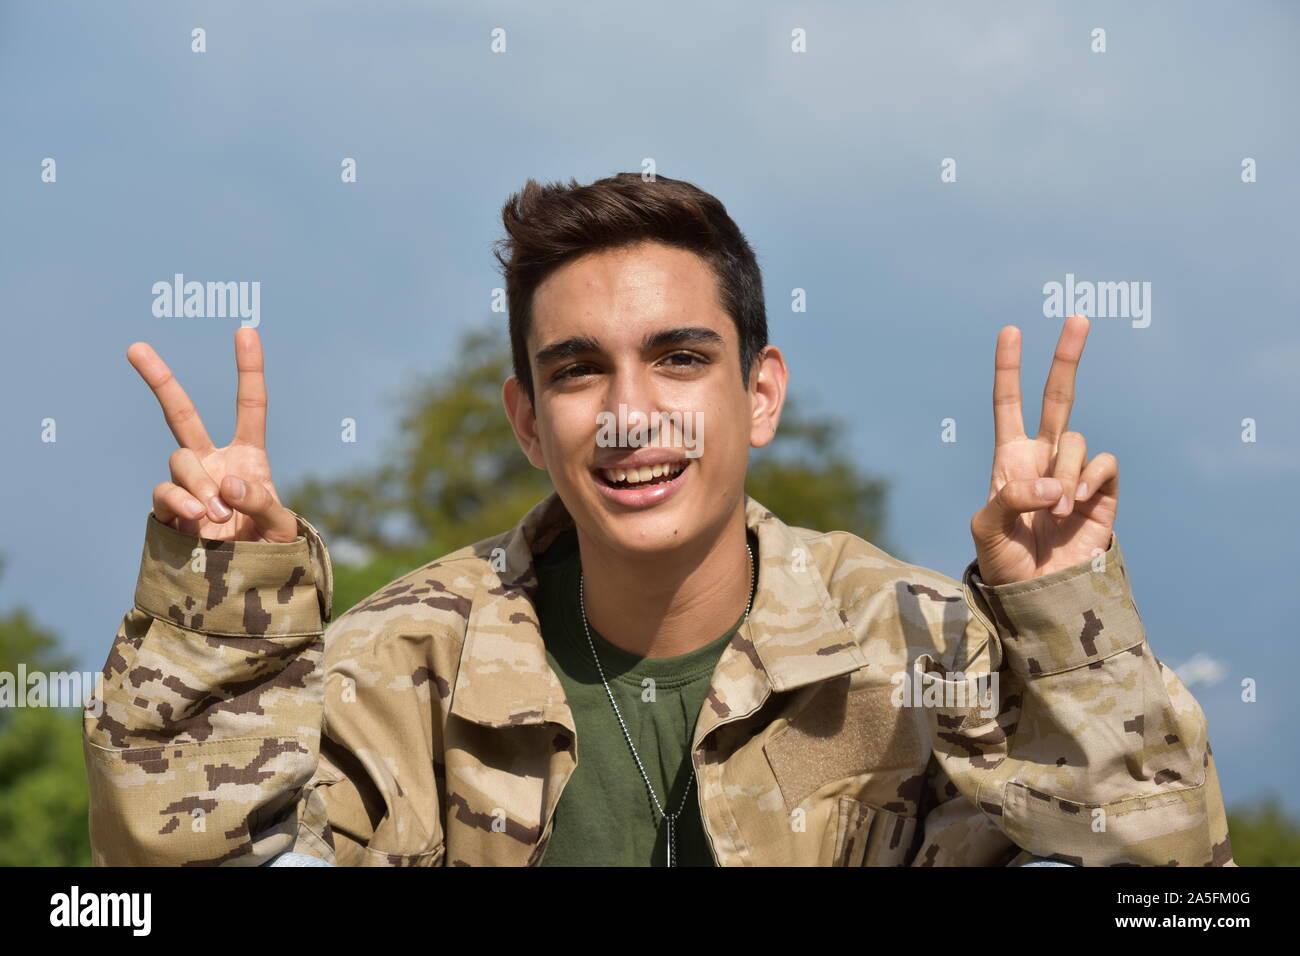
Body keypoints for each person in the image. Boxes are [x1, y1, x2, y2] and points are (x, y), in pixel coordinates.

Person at [84, 173, 1232, 867]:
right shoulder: (401, 664)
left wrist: (1061, 606)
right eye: (580, 371)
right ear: (528, 421)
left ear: (761, 392)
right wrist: (222, 610)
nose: (633, 416)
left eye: (680, 358)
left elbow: (1174, 883)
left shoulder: (921, 648)